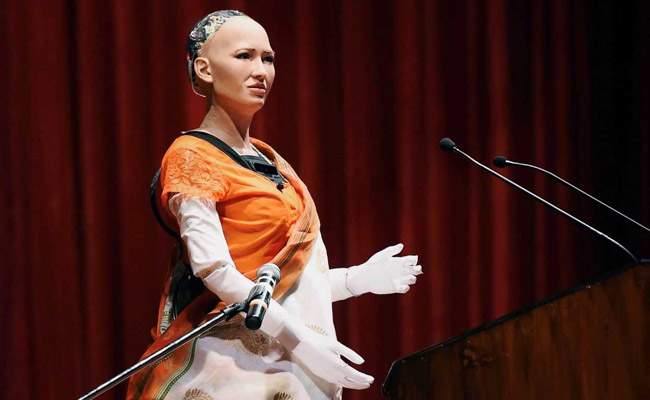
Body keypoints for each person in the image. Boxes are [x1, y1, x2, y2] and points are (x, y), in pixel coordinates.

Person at [127, 10, 422, 400]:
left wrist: (357, 280)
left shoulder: (271, 161)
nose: (260, 71)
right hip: (232, 369)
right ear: (204, 69)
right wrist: (299, 340)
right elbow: (215, 271)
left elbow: (284, 285)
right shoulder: (192, 156)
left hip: (283, 364)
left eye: (268, 58)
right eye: (244, 56)